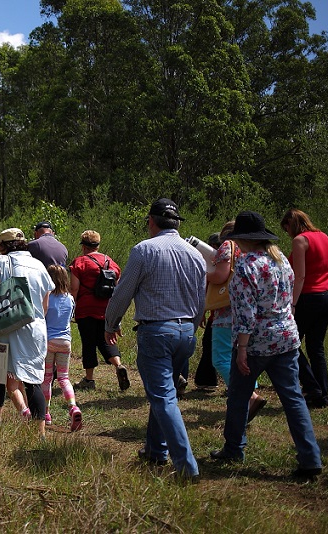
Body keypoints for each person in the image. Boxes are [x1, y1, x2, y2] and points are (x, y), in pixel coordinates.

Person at [210, 211, 323, 480]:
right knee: (293, 399)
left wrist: (242, 349)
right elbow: (289, 295)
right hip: (286, 338)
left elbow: (245, 313)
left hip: (257, 343)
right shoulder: (280, 258)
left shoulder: (245, 267)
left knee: (238, 396)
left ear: (241, 238)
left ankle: (233, 448)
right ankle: (310, 459)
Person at [104, 198, 204, 479]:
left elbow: (123, 292)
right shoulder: (195, 254)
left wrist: (111, 324)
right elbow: (201, 301)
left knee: (163, 398)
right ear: (177, 223)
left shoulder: (144, 250)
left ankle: (187, 467)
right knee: (164, 392)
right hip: (186, 332)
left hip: (157, 332)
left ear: (151, 221)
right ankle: (155, 450)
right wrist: (191, 329)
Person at [0, 228, 54, 439]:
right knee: (33, 380)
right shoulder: (39, 265)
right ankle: (40, 432)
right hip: (34, 328)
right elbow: (45, 304)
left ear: (3, 246)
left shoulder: (0, 263)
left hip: (5, 327)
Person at [280, 208, 328, 408]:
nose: (287, 233)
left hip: (308, 298)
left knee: (290, 343)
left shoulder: (300, 241)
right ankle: (321, 394)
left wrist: (292, 303)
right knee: (316, 347)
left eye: (286, 228)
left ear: (291, 224)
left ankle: (312, 387)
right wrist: (323, 281)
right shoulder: (323, 236)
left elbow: (300, 276)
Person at [207, 221, 265, 419]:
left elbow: (220, 275)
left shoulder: (227, 246)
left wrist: (203, 273)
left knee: (220, 358)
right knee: (239, 356)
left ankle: (250, 396)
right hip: (248, 311)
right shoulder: (254, 250)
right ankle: (249, 392)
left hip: (226, 312)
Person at [68, 230, 129, 391]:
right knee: (106, 340)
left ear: (83, 246)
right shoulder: (111, 263)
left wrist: (71, 309)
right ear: (98, 245)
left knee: (88, 342)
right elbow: (117, 289)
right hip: (107, 308)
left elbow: (74, 289)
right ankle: (118, 365)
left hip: (86, 309)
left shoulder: (79, 262)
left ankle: (89, 380)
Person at [43, 265, 82, 431]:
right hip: (65, 342)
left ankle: (46, 413)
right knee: (64, 378)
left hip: (48, 341)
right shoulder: (70, 298)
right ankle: (73, 407)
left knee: (47, 378)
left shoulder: (47, 297)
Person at [195, 233, 222, 389]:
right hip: (219, 315)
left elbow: (206, 289)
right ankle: (206, 380)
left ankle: (207, 380)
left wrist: (202, 312)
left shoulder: (217, 268)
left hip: (219, 316)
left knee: (210, 346)